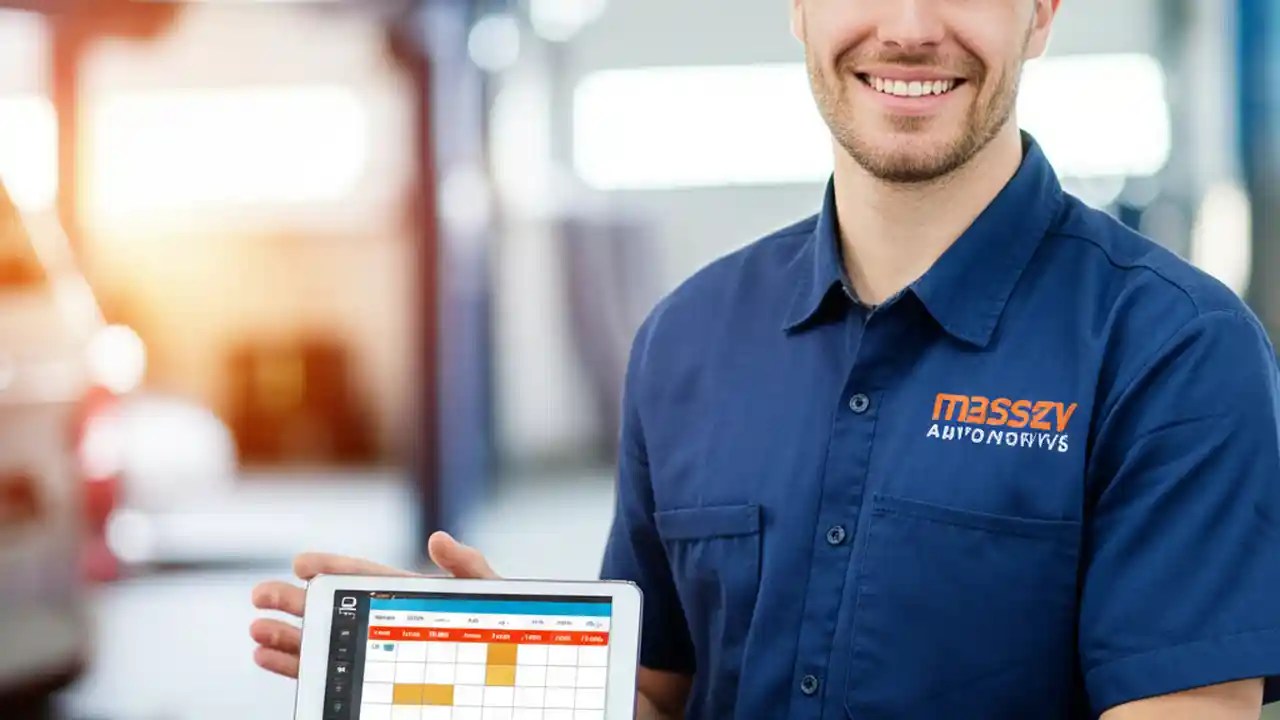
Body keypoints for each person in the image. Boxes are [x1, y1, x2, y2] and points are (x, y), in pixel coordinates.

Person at [250, 0, 1280, 717]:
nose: (910, 27)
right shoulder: (687, 342)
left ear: (1040, 11)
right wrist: (502, 679)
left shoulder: (1173, 355)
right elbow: (667, 692)